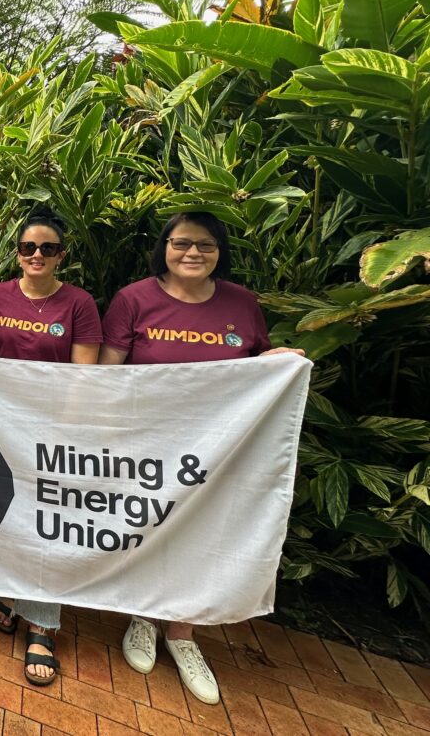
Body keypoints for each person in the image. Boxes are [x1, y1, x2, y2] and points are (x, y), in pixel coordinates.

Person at [100, 211, 304, 706]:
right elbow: (107, 376)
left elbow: (254, 370)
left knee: (204, 533)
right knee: (149, 527)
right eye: (181, 243)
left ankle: (183, 635)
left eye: (205, 245)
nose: (192, 253)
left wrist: (276, 364)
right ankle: (143, 618)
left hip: (218, 448)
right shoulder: (134, 299)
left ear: (221, 251)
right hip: (146, 444)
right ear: (164, 248)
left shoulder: (242, 303)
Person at [0, 210, 103, 687]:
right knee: (5, 512)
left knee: (47, 522)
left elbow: (83, 376)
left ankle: (42, 624)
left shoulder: (79, 303)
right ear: (17, 253)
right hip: (0, 423)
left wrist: (57, 429)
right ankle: (9, 593)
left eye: (47, 248)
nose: (37, 256)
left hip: (51, 430)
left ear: (61, 254)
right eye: (28, 248)